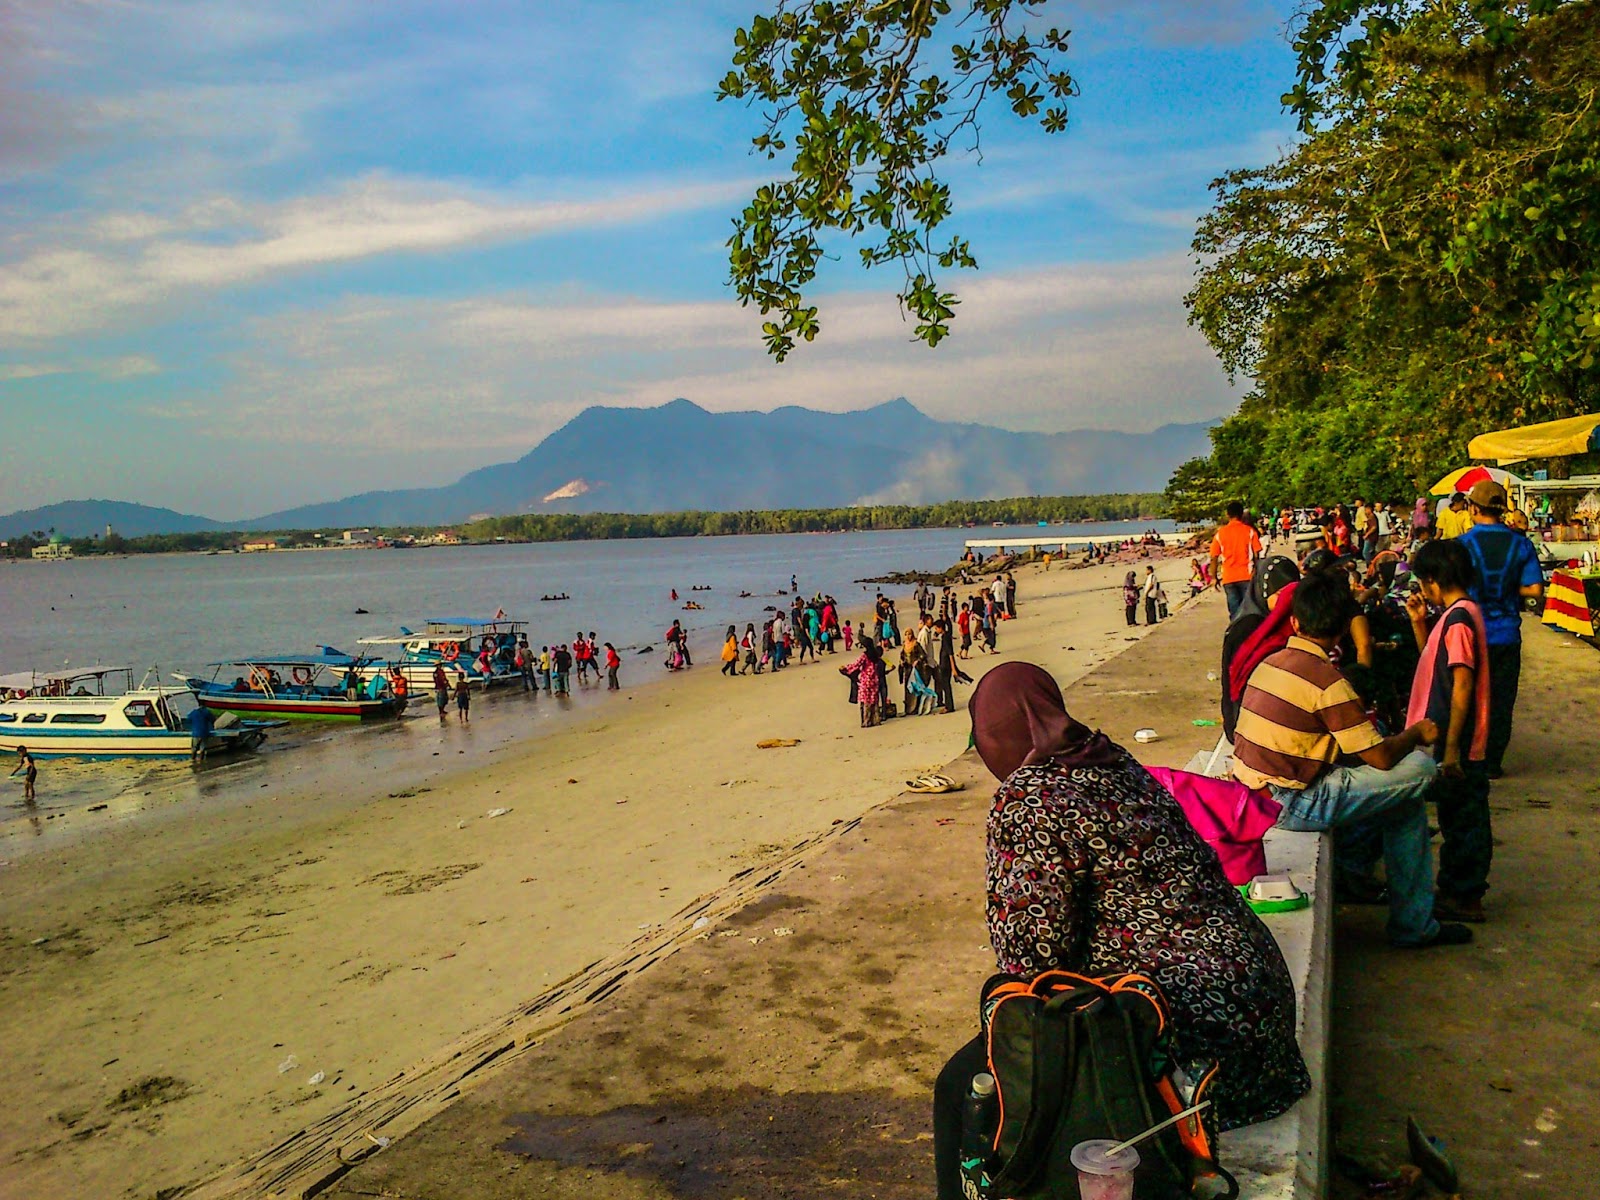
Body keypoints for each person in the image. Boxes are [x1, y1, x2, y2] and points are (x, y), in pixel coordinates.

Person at [931, 663, 1309, 1199]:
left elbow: (1030, 961)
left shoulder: (1027, 798)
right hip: (1261, 1025)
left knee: (962, 1084)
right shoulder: (1110, 758)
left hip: (1189, 1053)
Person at [1230, 571, 1468, 948]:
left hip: (1253, 791)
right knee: (1420, 769)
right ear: (1343, 629)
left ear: (1295, 621)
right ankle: (1412, 924)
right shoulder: (1329, 682)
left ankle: (1412, 921)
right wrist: (1417, 734)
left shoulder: (1271, 662)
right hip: (1292, 803)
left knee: (1404, 807)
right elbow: (1381, 757)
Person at [1405, 539, 1493, 923]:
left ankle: (1464, 894)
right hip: (1447, 736)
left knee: (1463, 819)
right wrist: (1419, 624)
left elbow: (1461, 684)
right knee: (1458, 815)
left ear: (1434, 581)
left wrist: (1453, 747)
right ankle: (1457, 889)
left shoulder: (1459, 620)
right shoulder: (1457, 614)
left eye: (1424, 583)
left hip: (1455, 740)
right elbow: (1436, 662)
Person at [1454, 479, 1544, 778]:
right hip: (1507, 633)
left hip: (1470, 634)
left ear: (1472, 508)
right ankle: (1492, 762)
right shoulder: (1521, 544)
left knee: (1468, 694)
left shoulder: (1462, 545)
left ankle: (1469, 756)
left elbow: (1452, 591)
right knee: (1502, 700)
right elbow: (1534, 590)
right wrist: (1509, 592)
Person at [1211, 501, 1264, 618]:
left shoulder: (1220, 534)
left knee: (1234, 611)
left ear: (1227, 515)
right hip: (1247, 575)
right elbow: (1256, 555)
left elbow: (1214, 557)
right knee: (1249, 610)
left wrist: (1214, 577)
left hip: (1229, 577)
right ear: (1241, 514)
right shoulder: (1250, 531)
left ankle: (1236, 632)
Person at [840, 640, 883, 727]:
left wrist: (846, 668)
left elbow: (856, 665)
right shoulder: (875, 655)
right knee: (874, 700)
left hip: (866, 680)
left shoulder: (865, 656)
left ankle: (867, 721)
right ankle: (876, 719)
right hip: (874, 679)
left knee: (865, 700)